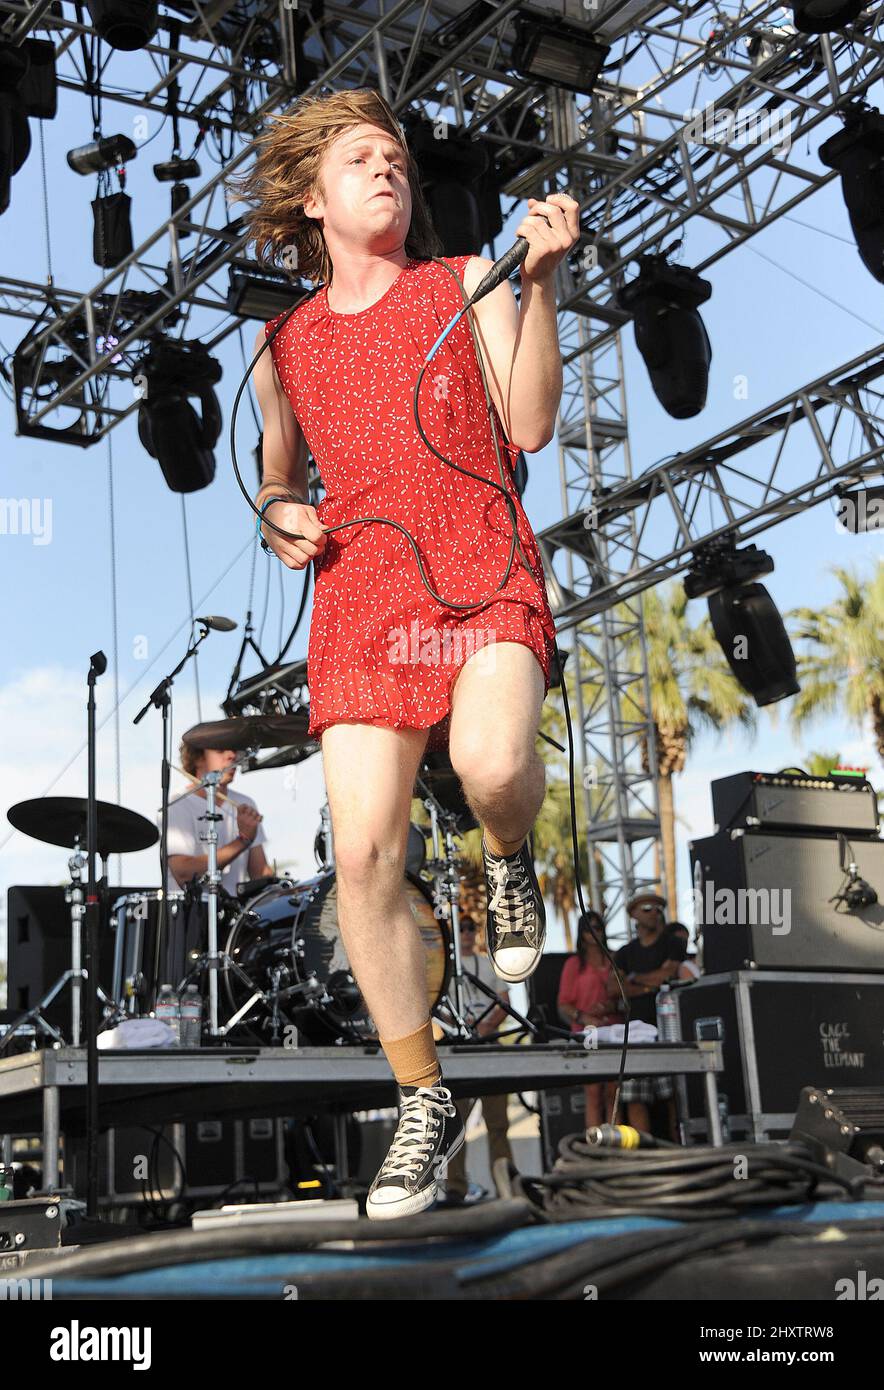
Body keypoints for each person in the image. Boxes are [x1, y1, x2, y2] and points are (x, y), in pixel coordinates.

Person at [230, 87, 579, 1219]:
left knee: (486, 765)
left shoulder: (463, 276)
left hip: (477, 556)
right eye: (361, 160)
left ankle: (509, 857)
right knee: (367, 863)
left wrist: (540, 283)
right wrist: (280, 514)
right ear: (310, 199)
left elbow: (526, 426)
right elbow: (281, 474)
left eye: (396, 159)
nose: (388, 171)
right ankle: (420, 1095)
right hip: (360, 592)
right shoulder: (279, 341)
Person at [440, 916, 512, 1206]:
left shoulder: (487, 964)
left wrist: (484, 1028)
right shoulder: (445, 968)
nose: (468, 933)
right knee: (456, 1125)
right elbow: (437, 1007)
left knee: (499, 1123)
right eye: (463, 928)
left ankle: (507, 1183)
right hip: (458, 1051)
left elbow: (504, 1003)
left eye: (472, 928)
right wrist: (459, 1029)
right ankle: (456, 1188)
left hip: (490, 1048)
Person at [612, 891, 687, 1137]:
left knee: (674, 1095)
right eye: (647, 908)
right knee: (635, 1097)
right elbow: (613, 988)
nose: (654, 912)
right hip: (635, 1034)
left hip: (669, 1028)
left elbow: (667, 974)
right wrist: (648, 986)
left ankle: (682, 1146)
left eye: (658, 908)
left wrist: (634, 980)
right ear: (633, 914)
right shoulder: (624, 953)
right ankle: (645, 1151)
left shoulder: (673, 943)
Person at [165, 743, 273, 897]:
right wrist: (243, 840)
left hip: (235, 915)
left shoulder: (245, 804)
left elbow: (260, 872)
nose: (232, 756)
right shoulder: (177, 804)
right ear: (197, 758)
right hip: (191, 915)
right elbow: (184, 874)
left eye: (234, 749)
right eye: (220, 750)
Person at [557, 910, 620, 1127]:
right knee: (593, 1091)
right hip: (587, 1033)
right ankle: (595, 1147)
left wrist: (610, 1007)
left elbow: (625, 994)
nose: (594, 933)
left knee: (614, 1091)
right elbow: (563, 1003)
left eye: (598, 927)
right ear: (582, 934)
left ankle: (617, 1145)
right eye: (589, 928)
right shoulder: (574, 964)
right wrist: (584, 1018)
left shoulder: (615, 958)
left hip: (614, 1030)